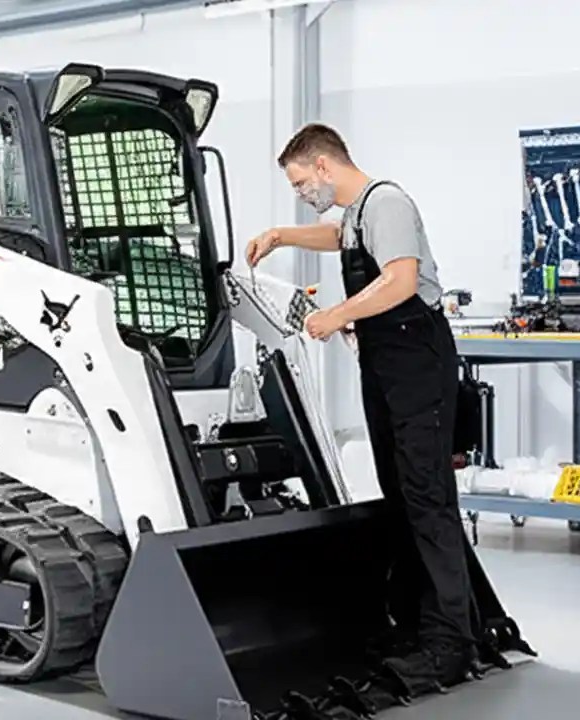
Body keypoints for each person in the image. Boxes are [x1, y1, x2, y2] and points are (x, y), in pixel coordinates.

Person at [246, 123, 474, 690]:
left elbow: (399, 280)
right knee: (400, 494)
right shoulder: (356, 216)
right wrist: (281, 235)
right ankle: (421, 626)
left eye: (301, 183)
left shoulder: (387, 202)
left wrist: (338, 314)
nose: (303, 193)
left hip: (417, 363)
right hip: (386, 366)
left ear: (323, 166)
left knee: (427, 498)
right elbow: (340, 238)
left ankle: (451, 646)